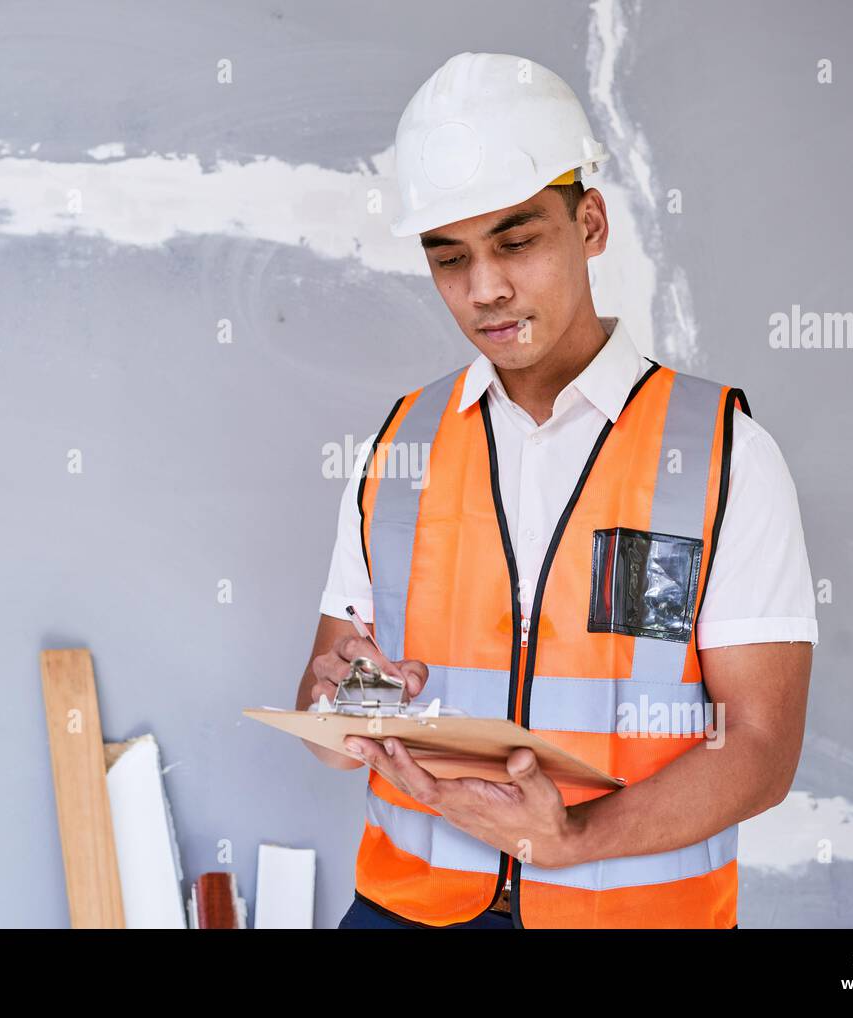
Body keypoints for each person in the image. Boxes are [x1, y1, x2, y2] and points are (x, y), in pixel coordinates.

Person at [293, 52, 817, 929]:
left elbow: (761, 750)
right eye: (449, 257)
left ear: (593, 222)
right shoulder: (399, 447)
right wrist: (344, 698)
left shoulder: (724, 455)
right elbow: (334, 726)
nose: (485, 288)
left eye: (517, 240)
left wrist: (570, 839)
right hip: (404, 910)